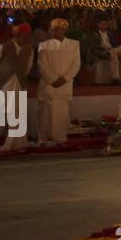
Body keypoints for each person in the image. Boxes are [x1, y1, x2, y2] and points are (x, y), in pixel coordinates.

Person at [36, 18, 81, 147]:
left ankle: (60, 140)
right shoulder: (44, 45)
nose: (56, 32)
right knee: (45, 113)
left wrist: (64, 79)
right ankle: (43, 139)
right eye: (54, 29)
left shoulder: (74, 44)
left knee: (61, 114)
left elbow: (76, 65)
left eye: (59, 29)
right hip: (48, 85)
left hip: (64, 85)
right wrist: (52, 79)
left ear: (64, 30)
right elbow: (41, 65)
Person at [0, 23, 35, 153]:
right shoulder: (4, 47)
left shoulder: (29, 49)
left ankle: (17, 142)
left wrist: (20, 76)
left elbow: (28, 68)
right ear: (19, 35)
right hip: (4, 84)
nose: (28, 38)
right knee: (1, 114)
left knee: (18, 113)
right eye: (26, 35)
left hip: (20, 84)